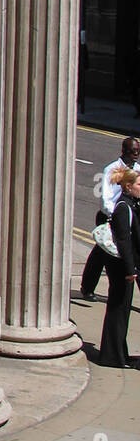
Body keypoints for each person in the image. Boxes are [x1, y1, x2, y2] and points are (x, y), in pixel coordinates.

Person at [81, 136, 140, 300]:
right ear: (124, 151)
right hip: (111, 215)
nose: (136, 155)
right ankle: (87, 287)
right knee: (101, 252)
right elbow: (106, 198)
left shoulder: (138, 169)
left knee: (135, 251)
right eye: (133, 151)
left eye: (138, 152)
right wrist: (115, 215)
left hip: (129, 214)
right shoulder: (112, 169)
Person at [97, 168, 140, 369]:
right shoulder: (124, 207)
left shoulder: (130, 204)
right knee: (118, 309)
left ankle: (119, 354)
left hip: (126, 267)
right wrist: (131, 270)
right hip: (122, 268)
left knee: (122, 310)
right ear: (128, 186)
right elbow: (124, 241)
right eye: (139, 185)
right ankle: (112, 356)